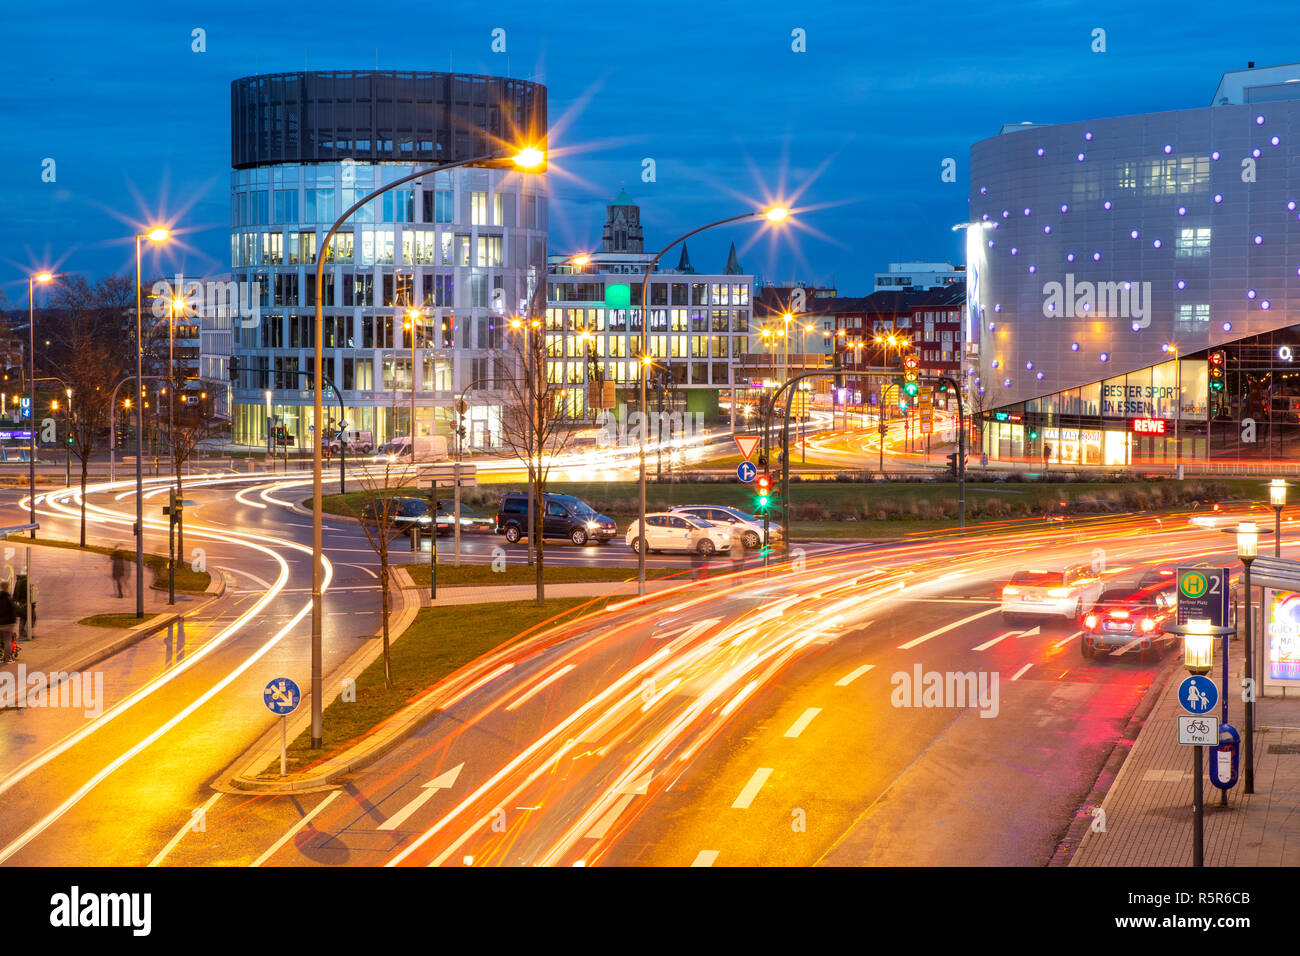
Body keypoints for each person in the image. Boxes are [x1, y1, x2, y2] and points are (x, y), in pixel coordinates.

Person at [0, 582, 17, 658]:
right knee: (7, 641)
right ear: (7, 587)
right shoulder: (8, 598)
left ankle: (0, 656)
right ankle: (7, 658)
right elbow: (13, 610)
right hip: (8, 623)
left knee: (1, 641)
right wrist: (14, 621)